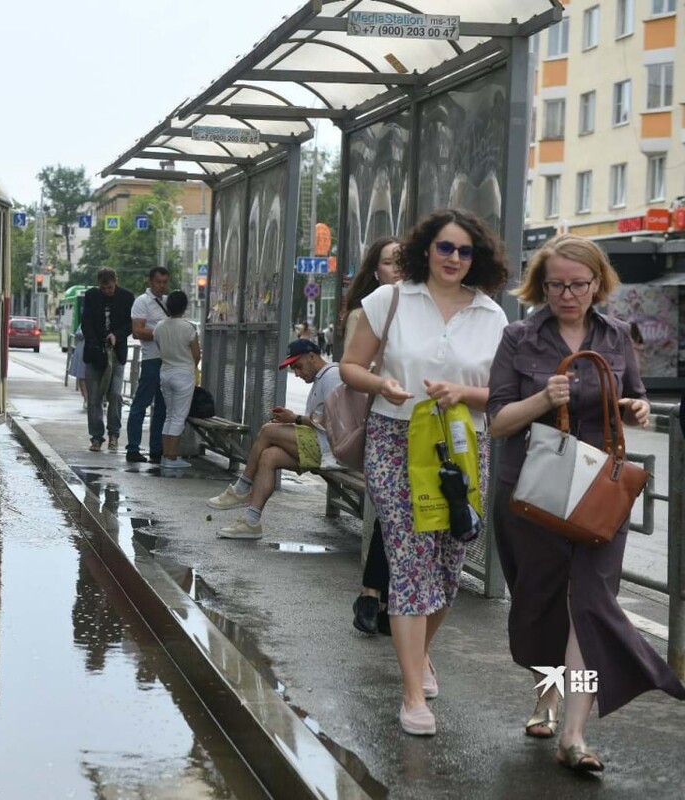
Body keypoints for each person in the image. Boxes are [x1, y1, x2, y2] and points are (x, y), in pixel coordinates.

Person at [487, 234, 685, 772]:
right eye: (556, 285)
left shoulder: (617, 335)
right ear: (541, 285)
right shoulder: (518, 337)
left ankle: (573, 733)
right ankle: (545, 693)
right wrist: (541, 399)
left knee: (592, 607)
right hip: (531, 490)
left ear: (597, 282)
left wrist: (638, 408)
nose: (567, 294)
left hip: (599, 493)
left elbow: (634, 395)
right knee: (540, 608)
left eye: (578, 284)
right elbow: (498, 421)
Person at [340, 208, 509, 737]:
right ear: (425, 251)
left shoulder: (492, 315)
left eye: (465, 251)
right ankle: (413, 694)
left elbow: (502, 396)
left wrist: (464, 393)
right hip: (396, 440)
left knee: (449, 562)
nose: (455, 259)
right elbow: (349, 366)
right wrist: (381, 386)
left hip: (462, 447)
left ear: (476, 258)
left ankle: (421, 655)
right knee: (409, 558)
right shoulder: (390, 299)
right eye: (445, 248)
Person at [206, 339, 343, 539]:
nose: (297, 373)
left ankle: (241, 488)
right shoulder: (322, 378)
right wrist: (293, 420)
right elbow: (320, 420)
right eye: (293, 368)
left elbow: (336, 421)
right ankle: (251, 522)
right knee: (269, 457)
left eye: (298, 366)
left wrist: (294, 419)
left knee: (268, 431)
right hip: (321, 446)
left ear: (312, 357)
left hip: (331, 450)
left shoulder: (332, 376)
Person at [345, 236, 402, 637]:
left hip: (415, 417)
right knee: (386, 516)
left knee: (392, 518)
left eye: (403, 261)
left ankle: (377, 596)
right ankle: (372, 595)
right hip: (379, 416)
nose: (397, 268)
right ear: (375, 270)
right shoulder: (370, 309)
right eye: (389, 262)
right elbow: (354, 367)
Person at [80, 267, 134, 452]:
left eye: (110, 288)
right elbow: (85, 322)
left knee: (115, 395)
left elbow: (130, 324)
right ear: (98, 285)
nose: (107, 292)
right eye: (104, 289)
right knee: (94, 397)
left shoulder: (126, 297)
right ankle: (96, 437)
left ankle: (114, 434)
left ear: (115, 282)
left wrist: (116, 336)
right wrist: (95, 344)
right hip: (94, 354)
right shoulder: (91, 296)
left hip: (116, 354)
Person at [126, 267, 171, 463]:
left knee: (162, 406)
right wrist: (162, 334)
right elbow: (137, 331)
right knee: (141, 403)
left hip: (169, 360)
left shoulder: (167, 302)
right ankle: (133, 448)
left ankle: (156, 449)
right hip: (151, 359)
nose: (162, 285)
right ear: (150, 282)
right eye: (158, 282)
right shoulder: (142, 302)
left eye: (164, 282)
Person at [152, 290, 200, 469]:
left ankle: (166, 454)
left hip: (165, 372)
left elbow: (158, 346)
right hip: (183, 374)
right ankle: (171, 457)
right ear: (185, 307)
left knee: (169, 415)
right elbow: (196, 354)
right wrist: (190, 367)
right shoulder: (188, 328)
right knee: (179, 417)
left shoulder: (159, 327)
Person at [67, 324, 88, 409]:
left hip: (95, 351)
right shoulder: (85, 321)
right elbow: (78, 334)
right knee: (82, 376)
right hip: (83, 349)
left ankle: (95, 399)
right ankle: (86, 399)